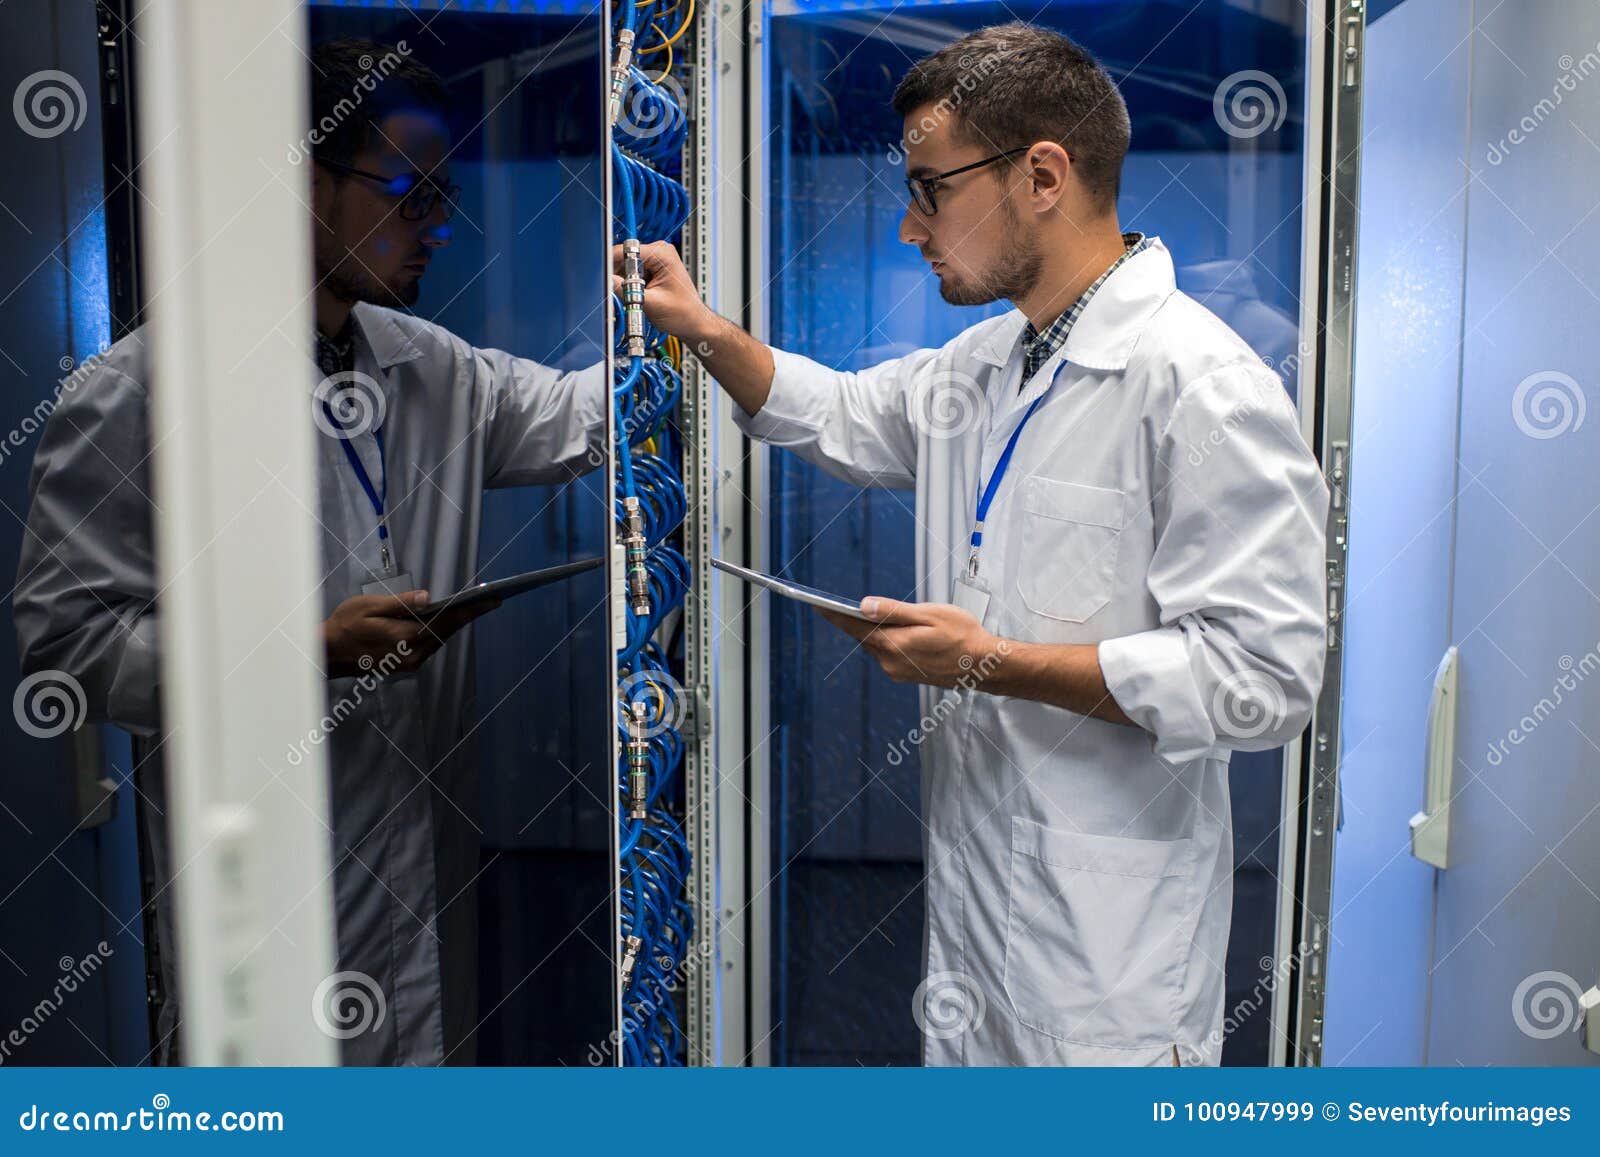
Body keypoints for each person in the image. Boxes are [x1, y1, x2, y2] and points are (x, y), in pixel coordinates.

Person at [620, 22, 1329, 1065]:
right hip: (978, 930)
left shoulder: (1201, 384)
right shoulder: (990, 361)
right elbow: (842, 412)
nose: (911, 226)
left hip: (1109, 972)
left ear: (1042, 175)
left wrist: (989, 662)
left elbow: (1265, 677)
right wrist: (704, 330)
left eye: (931, 189)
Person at [13, 39, 606, 1065]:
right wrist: (304, 650)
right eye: (412, 196)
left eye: (445, 196)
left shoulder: (430, 366)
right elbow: (65, 644)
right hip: (266, 900)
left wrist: (688, 331)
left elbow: (583, 416)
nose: (439, 226)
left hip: (423, 886)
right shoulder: (140, 392)